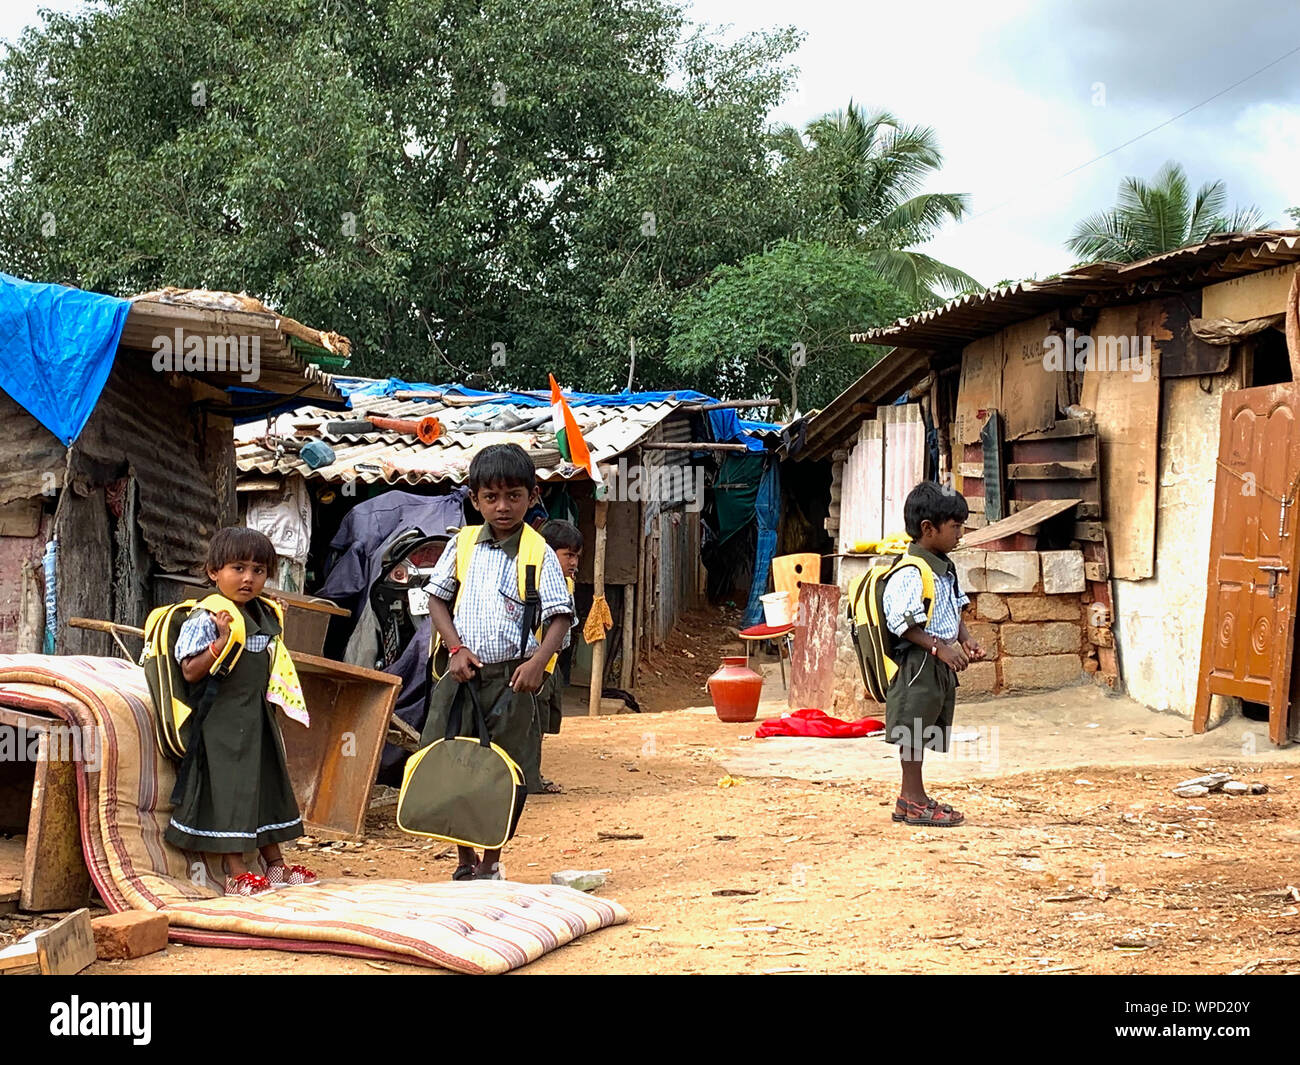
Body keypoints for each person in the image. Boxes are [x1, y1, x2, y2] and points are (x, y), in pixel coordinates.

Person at [422, 444, 573, 880]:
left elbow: (560, 616)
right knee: (454, 765)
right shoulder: (462, 544)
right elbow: (437, 601)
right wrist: (455, 649)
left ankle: (490, 861)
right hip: (462, 676)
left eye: (513, 496)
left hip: (512, 681)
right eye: (491, 497)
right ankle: (463, 860)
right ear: (475, 499)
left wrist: (538, 663)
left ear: (533, 496)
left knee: (503, 772)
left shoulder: (539, 552)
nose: (502, 507)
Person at [165, 527, 318, 896]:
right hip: (221, 722)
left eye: (259, 570)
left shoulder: (264, 613)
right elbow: (189, 671)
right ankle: (236, 873)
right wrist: (219, 643)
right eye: (238, 568)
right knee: (232, 791)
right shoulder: (208, 616)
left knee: (267, 786)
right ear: (214, 571)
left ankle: (276, 865)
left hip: (257, 718)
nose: (249, 578)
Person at [881, 482, 985, 827]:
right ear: (929, 529)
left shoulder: (944, 568)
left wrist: (966, 639)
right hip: (918, 663)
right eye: (955, 526)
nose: (960, 534)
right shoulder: (910, 571)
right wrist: (940, 648)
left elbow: (953, 610)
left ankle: (910, 798)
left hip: (936, 661)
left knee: (926, 727)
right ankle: (913, 799)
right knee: (913, 729)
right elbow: (902, 624)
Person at [536, 520, 584, 794]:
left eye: (576, 556)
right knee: (532, 723)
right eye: (568, 555)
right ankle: (530, 777)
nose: (574, 562)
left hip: (552, 665)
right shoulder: (538, 580)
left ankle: (533, 773)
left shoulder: (567, 584)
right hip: (537, 665)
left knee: (542, 722)